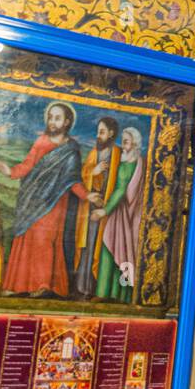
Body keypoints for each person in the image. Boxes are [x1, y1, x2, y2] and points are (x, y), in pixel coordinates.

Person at [0, 103, 101, 297]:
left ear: (67, 122)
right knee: (27, 238)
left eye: (57, 118)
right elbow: (27, 165)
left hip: (54, 203)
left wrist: (87, 195)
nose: (52, 121)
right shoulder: (42, 141)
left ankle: (44, 285)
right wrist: (9, 170)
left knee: (45, 240)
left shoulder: (71, 149)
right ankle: (18, 286)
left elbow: (73, 179)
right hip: (32, 199)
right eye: (50, 117)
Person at [91, 127, 145, 303]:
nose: (123, 144)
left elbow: (121, 190)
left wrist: (104, 210)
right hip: (124, 213)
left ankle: (105, 293)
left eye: (127, 141)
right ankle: (119, 294)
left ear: (135, 144)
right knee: (121, 252)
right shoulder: (130, 161)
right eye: (123, 140)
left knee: (110, 250)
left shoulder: (129, 164)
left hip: (119, 213)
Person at [74, 117, 121, 299]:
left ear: (111, 133)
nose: (98, 135)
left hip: (106, 207)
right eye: (98, 131)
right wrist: (93, 172)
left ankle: (96, 289)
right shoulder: (94, 152)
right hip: (89, 206)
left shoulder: (116, 153)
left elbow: (118, 183)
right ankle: (82, 288)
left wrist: (106, 204)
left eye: (102, 131)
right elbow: (83, 173)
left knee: (101, 247)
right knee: (87, 245)